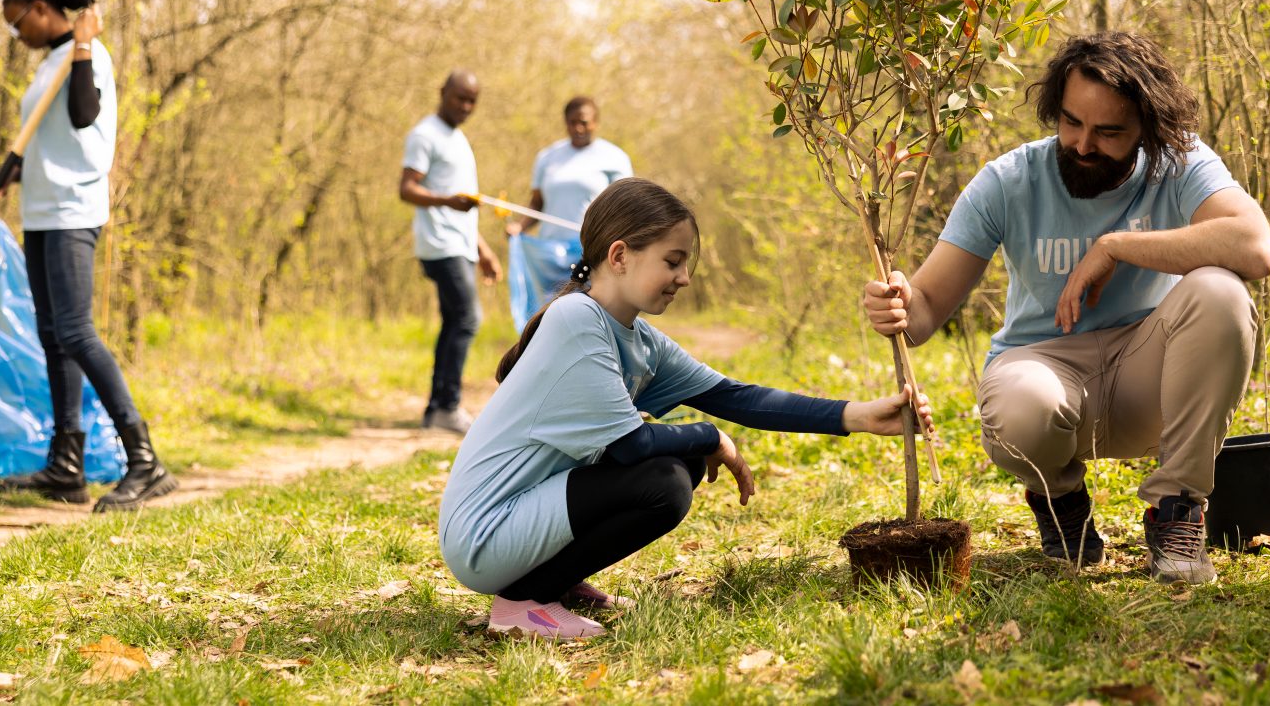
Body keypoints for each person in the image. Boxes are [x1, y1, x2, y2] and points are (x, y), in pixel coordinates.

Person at [440, 177, 934, 640]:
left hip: (523, 520)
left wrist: (862, 416)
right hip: (487, 531)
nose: (686, 277)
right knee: (665, 482)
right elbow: (631, 446)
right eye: (672, 261)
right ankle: (522, 602)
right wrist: (711, 436)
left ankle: (555, 580)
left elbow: (738, 397)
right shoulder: (577, 320)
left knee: (679, 464)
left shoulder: (641, 341)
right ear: (620, 256)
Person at [863, 31, 1270, 584]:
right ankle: (1062, 502)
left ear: (1147, 130)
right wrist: (896, 306)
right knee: (1023, 408)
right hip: (1043, 368)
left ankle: (1177, 509)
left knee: (1221, 292)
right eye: (1070, 122)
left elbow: (1255, 247)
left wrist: (1114, 247)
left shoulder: (1178, 162)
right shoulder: (1008, 182)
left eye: (1108, 132)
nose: (1083, 144)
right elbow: (927, 307)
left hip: (1148, 377)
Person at [0, 0, 176, 512]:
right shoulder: (49, 61)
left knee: (75, 330)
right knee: (52, 335)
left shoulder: (90, 53)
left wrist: (86, 45)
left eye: (18, 22)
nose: (17, 34)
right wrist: (6, 172)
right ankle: (66, 466)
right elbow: (47, 140)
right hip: (42, 211)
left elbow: (83, 115)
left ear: (44, 10)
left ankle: (145, 460)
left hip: (74, 211)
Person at [399, 70, 502, 434]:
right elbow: (407, 188)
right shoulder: (425, 135)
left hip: (460, 243)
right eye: (459, 98)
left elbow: (464, 206)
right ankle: (447, 406)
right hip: (439, 244)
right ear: (442, 92)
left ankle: (436, 409)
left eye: (472, 100)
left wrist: (484, 250)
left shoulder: (458, 139)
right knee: (468, 318)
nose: (466, 106)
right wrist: (447, 201)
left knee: (453, 321)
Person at [507, 96, 632, 322]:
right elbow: (537, 203)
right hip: (550, 255)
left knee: (587, 311)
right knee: (551, 314)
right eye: (572, 122)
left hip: (591, 253)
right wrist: (519, 227)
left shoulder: (614, 158)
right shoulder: (547, 158)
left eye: (584, 122)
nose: (578, 128)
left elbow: (624, 207)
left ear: (595, 122)